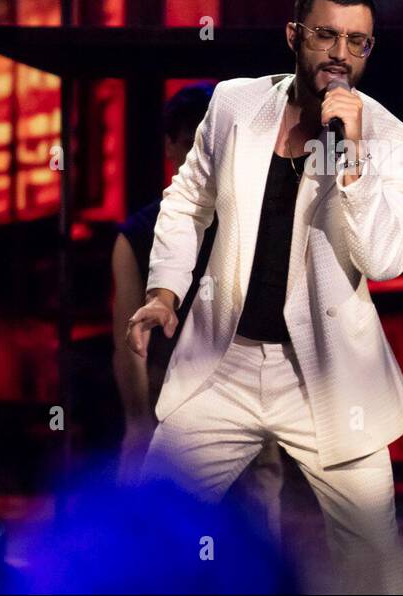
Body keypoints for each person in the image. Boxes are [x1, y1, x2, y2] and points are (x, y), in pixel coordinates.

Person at [125, 0, 403, 593]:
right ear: (294, 35)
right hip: (224, 363)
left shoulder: (395, 146)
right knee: (146, 530)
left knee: (372, 558)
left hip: (328, 373)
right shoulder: (236, 105)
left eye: (358, 42)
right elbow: (186, 203)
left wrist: (355, 164)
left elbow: (386, 259)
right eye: (326, 35)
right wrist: (164, 291)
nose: (341, 53)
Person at [112, 84, 285, 539]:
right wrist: (136, 419)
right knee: (247, 531)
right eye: (192, 142)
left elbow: (128, 337)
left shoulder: (139, 232)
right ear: (170, 146)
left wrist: (136, 420)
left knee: (166, 536)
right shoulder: (252, 222)